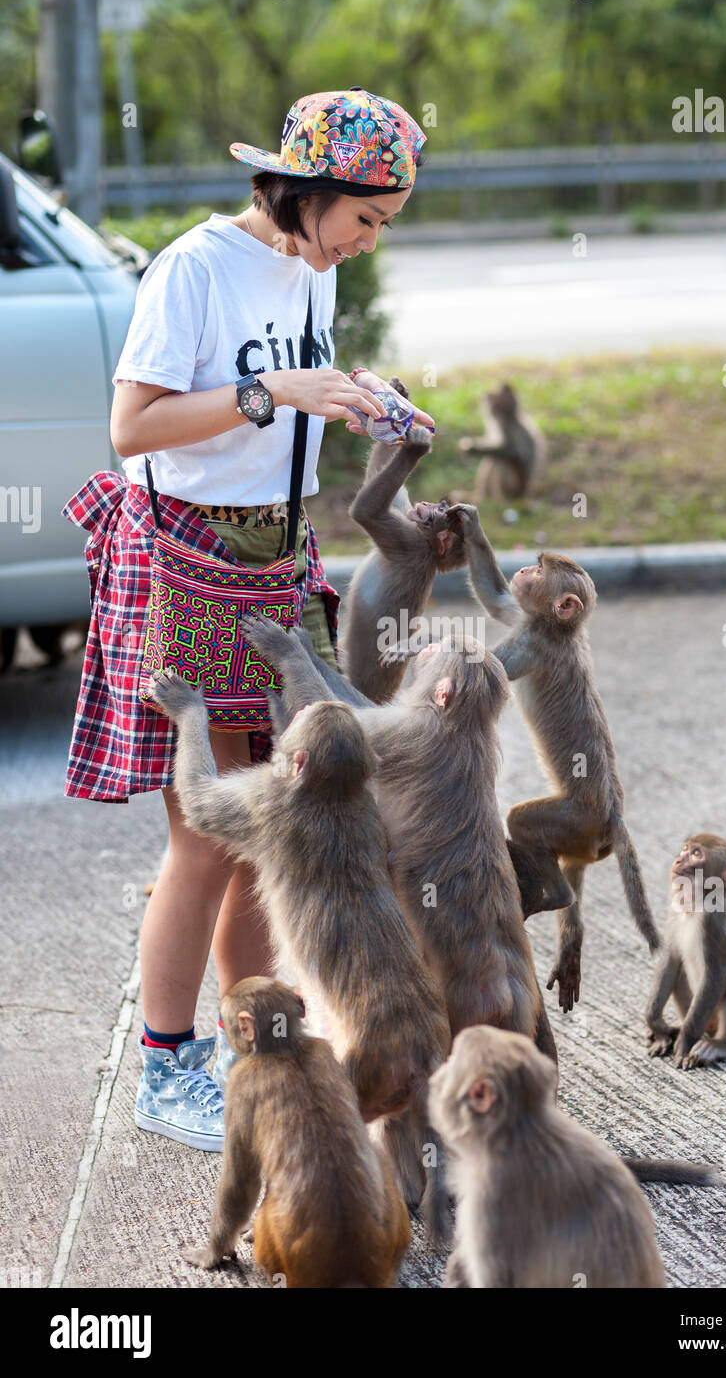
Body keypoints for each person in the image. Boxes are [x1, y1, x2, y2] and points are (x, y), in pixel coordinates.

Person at [61, 88, 434, 1150]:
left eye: (383, 226)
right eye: (365, 218)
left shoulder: (301, 268)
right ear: (310, 191)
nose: (366, 243)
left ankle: (248, 1039)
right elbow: (136, 422)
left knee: (283, 818)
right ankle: (165, 1066)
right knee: (207, 835)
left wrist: (358, 396)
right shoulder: (195, 267)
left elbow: (290, 392)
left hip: (274, 558)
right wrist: (279, 392)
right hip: (188, 554)